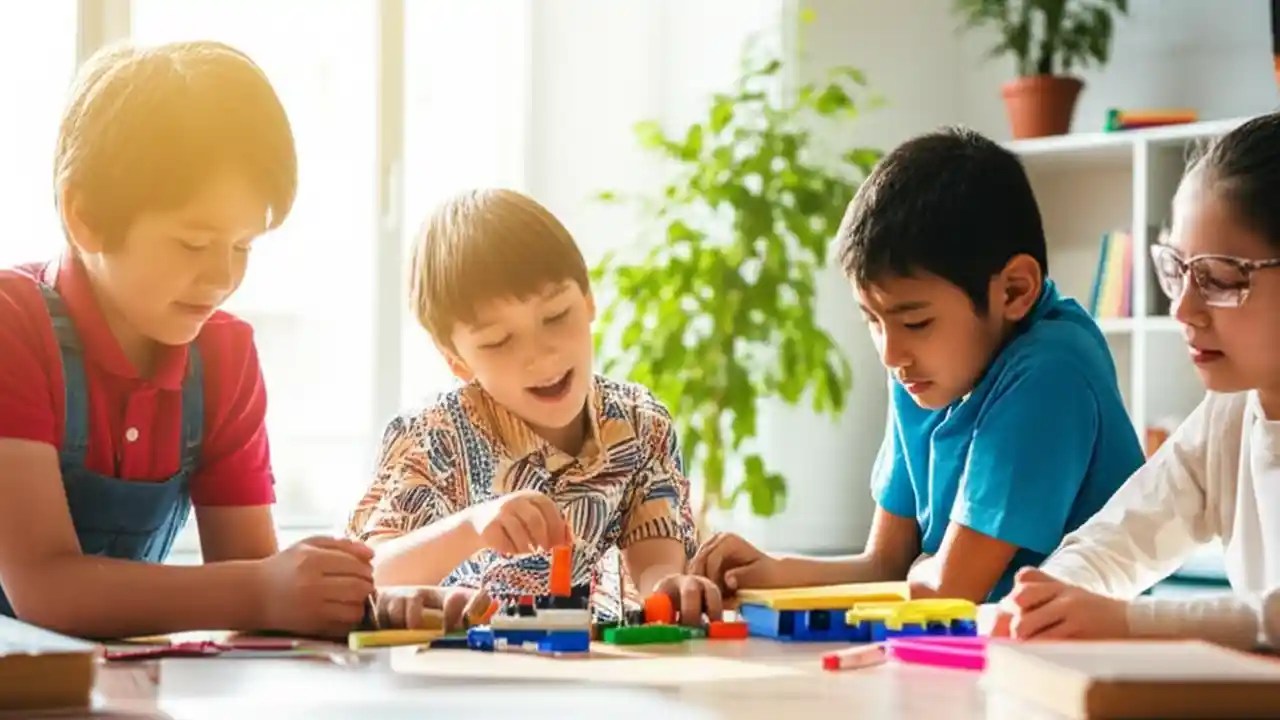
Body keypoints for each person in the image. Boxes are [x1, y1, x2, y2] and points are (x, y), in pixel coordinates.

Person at [0, 40, 376, 640]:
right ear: (85, 216)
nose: (223, 277)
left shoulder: (225, 360)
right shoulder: (11, 327)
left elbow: (252, 577)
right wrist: (264, 589)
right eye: (194, 245)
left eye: (243, 247)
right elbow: (43, 586)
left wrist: (324, 591)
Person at [692, 127, 1143, 603]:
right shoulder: (929, 373)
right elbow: (887, 564)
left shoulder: (1051, 371)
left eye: (917, 322)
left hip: (1069, 664)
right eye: (872, 320)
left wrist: (928, 570)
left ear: (1014, 290)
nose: (890, 355)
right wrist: (772, 569)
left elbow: (951, 589)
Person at [346, 188, 720, 624]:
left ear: (588, 301)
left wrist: (670, 587)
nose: (541, 355)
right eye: (498, 341)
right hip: (462, 674)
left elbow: (655, 561)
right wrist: (471, 527)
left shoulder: (641, 423)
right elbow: (369, 574)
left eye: (557, 315)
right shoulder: (431, 437)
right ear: (457, 361)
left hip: (594, 671)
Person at [1005, 112, 1280, 649]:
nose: (1184, 308)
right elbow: (1121, 538)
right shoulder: (1229, 416)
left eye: (1220, 279)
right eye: (1176, 270)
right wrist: (1050, 599)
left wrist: (1131, 623)